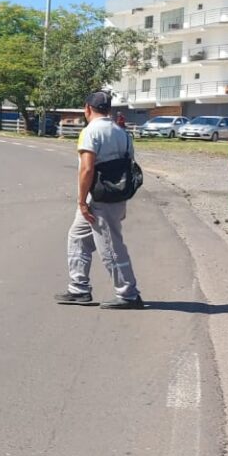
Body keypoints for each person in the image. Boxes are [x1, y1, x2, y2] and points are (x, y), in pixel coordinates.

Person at [56, 92, 144, 309]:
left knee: (110, 247)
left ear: (87, 109)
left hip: (99, 198)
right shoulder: (122, 133)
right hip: (115, 196)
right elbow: (129, 167)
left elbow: (87, 169)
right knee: (77, 238)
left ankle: (129, 294)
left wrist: (81, 201)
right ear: (109, 110)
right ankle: (79, 288)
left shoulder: (90, 132)